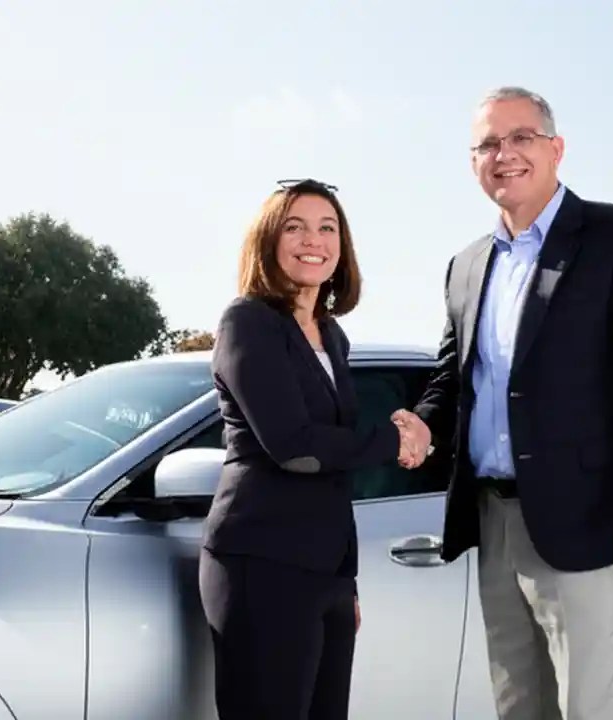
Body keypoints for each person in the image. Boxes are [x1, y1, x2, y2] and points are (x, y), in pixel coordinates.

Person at [393, 87, 613, 720]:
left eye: (520, 138)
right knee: (519, 707)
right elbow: (454, 377)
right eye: (487, 144)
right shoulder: (467, 265)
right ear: (473, 162)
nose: (503, 154)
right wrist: (423, 422)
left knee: (595, 708)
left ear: (556, 149)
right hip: (494, 520)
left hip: (593, 527)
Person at [201, 178, 423, 719]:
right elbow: (296, 448)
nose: (313, 240)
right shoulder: (248, 323)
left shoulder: (332, 335)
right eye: (295, 226)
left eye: (328, 228)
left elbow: (334, 472)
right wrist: (395, 441)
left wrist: (344, 582)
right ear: (268, 241)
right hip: (262, 562)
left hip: (324, 572)